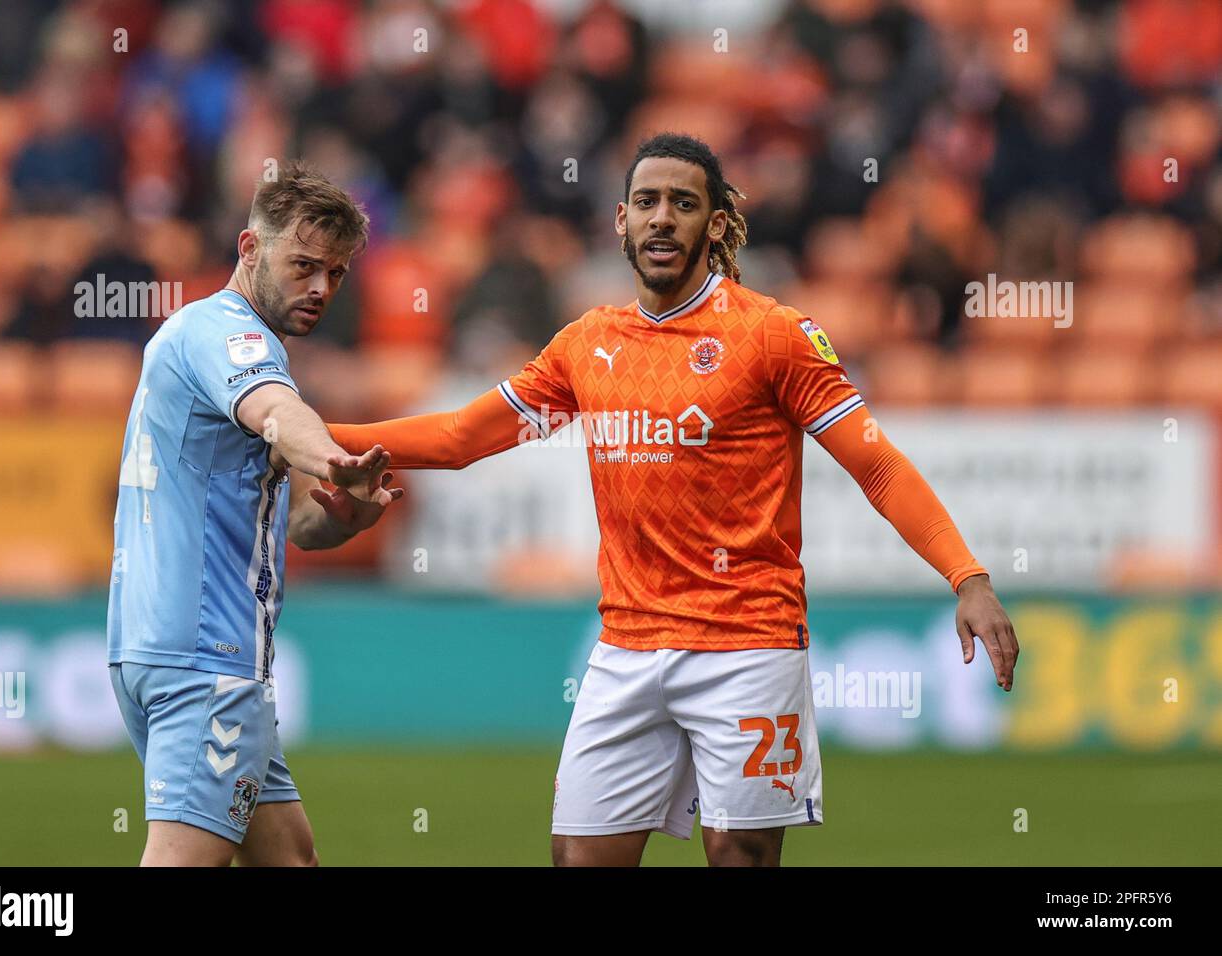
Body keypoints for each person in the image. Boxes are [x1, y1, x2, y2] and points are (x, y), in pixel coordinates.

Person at [328, 133, 1018, 867]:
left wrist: (966, 576)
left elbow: (877, 468)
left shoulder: (772, 336)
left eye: (684, 203)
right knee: (580, 859)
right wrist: (312, 435)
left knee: (740, 856)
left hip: (747, 643)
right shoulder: (586, 344)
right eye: (647, 203)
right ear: (621, 221)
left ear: (715, 224)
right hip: (627, 646)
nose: (663, 218)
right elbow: (463, 437)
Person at [107, 161, 401, 866]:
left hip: (162, 646)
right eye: (303, 265)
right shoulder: (230, 336)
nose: (321, 288)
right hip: (208, 656)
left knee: (290, 858)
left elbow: (298, 522)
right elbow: (277, 413)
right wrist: (334, 457)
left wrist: (345, 518)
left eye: (335, 273)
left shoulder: (195, 340)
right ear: (248, 249)